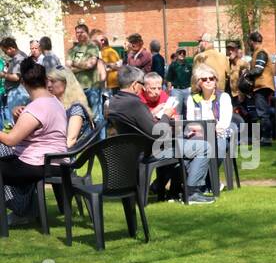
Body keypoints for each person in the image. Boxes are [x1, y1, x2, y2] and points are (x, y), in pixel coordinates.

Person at [106, 64, 212, 205]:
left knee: (184, 147)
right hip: (151, 151)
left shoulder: (114, 102)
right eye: (142, 84)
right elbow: (157, 133)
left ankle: (175, 191)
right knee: (204, 147)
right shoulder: (134, 104)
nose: (142, 87)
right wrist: (166, 115)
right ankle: (192, 192)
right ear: (134, 85)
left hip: (134, 150)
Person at [0, 58, 69, 225]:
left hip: (38, 164)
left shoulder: (36, 107)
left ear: (23, 82)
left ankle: (21, 210)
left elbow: (11, 139)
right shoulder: (54, 102)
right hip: (53, 161)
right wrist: (19, 118)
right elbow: (30, 134)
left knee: (4, 155)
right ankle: (23, 209)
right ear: (45, 80)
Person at [177, 62, 234, 192]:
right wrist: (201, 131)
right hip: (199, 135)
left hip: (219, 134)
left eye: (211, 78)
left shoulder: (223, 97)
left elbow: (224, 122)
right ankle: (199, 184)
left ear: (216, 81)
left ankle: (206, 182)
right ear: (199, 83)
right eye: (204, 79)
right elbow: (191, 122)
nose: (208, 81)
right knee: (184, 149)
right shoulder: (193, 99)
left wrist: (210, 130)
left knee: (217, 147)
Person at [46, 67, 92, 147]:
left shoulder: (76, 108)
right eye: (47, 81)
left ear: (65, 83)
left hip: (61, 155)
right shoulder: (53, 105)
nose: (48, 85)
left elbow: (70, 140)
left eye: (53, 81)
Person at [68, 23, 103, 121]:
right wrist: (83, 66)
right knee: (84, 116)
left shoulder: (92, 47)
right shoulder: (72, 50)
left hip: (92, 87)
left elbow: (90, 64)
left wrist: (75, 64)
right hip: (79, 88)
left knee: (96, 116)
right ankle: (90, 136)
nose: (79, 35)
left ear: (87, 33)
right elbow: (68, 66)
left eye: (81, 32)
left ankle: (102, 137)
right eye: (77, 33)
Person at [245, 30, 275, 144]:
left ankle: (266, 138)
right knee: (262, 112)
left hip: (263, 86)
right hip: (262, 85)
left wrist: (247, 74)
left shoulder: (261, 52)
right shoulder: (259, 52)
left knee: (263, 113)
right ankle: (264, 137)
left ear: (252, 42)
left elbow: (258, 69)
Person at [1, 37, 21, 126]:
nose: (5, 54)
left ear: (11, 48)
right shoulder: (15, 58)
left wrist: (3, 75)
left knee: (17, 122)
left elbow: (16, 77)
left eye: (5, 51)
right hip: (15, 92)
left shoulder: (19, 59)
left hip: (17, 92)